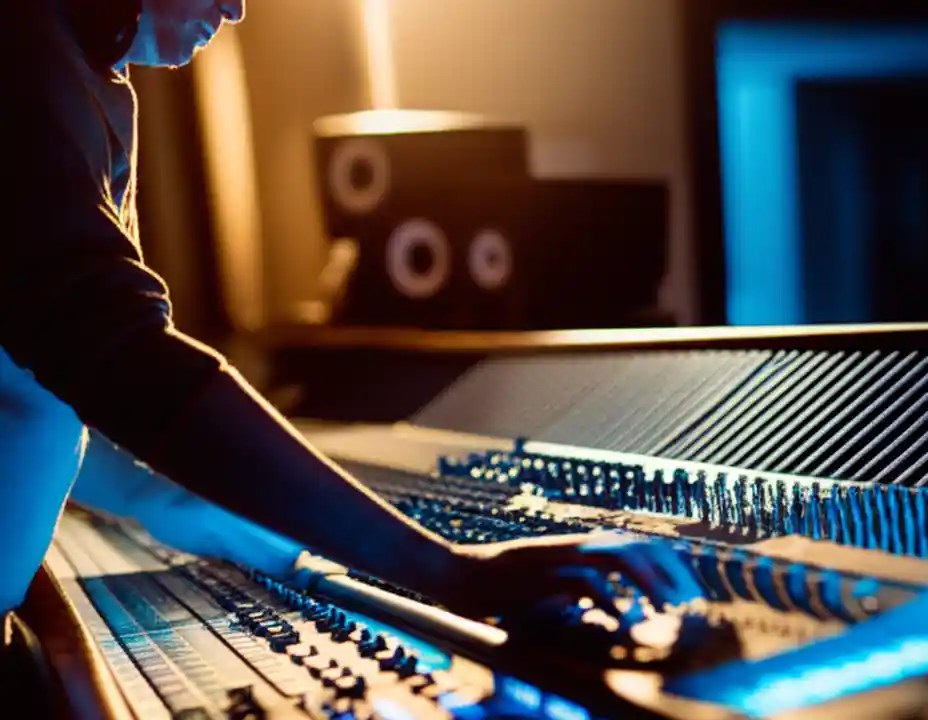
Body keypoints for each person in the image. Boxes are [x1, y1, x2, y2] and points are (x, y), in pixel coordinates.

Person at [0, 0, 701, 625]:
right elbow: (125, 361)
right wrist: (444, 571)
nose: (238, 9)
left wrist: (347, 563)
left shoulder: (82, 71)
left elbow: (104, 435)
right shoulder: (25, 54)